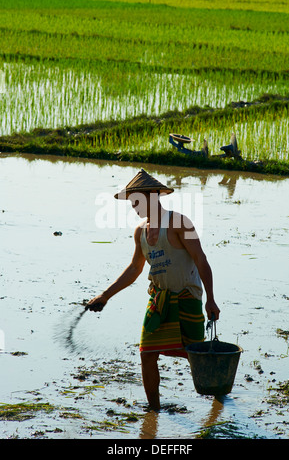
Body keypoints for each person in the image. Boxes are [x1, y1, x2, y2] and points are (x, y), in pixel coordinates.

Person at [86, 168, 220, 410]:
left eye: (137, 199)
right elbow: (135, 269)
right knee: (147, 354)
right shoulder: (140, 232)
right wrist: (105, 296)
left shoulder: (179, 223)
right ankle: (154, 410)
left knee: (195, 356)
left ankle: (219, 398)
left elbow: (201, 259)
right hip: (159, 300)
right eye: (131, 200)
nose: (133, 205)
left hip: (187, 297)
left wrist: (211, 299)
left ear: (153, 197)